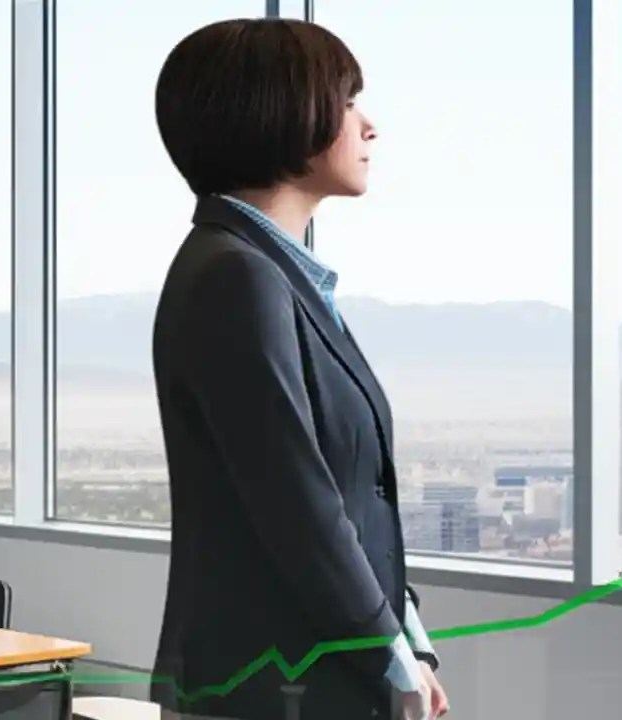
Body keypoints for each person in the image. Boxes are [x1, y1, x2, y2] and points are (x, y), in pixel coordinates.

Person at [148, 18, 449, 720]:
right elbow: (297, 504)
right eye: (348, 102)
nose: (368, 126)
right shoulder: (237, 278)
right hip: (268, 687)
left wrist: (406, 639)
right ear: (282, 113)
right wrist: (387, 655)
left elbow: (347, 497)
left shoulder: (272, 276)